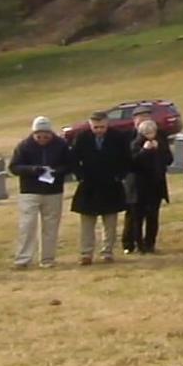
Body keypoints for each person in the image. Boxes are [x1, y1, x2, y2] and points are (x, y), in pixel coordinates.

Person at [8, 116, 71, 269]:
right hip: (29, 191)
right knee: (27, 225)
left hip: (53, 191)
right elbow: (14, 167)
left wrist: (56, 171)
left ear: (51, 133)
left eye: (46, 136)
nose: (42, 139)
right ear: (34, 133)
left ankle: (47, 259)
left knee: (51, 227)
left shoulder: (61, 145)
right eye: (39, 136)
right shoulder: (24, 145)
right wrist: (32, 169)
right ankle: (23, 259)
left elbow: (69, 165)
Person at [70, 111, 131, 265]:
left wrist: (119, 176)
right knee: (87, 223)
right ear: (90, 125)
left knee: (110, 222)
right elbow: (73, 159)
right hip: (89, 185)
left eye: (102, 127)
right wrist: (80, 176)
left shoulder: (118, 137)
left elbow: (127, 159)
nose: (99, 130)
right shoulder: (82, 137)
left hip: (111, 184)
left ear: (107, 124)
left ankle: (107, 252)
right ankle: (86, 253)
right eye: (95, 127)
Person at [126, 119, 172, 254]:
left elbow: (169, 159)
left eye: (152, 132)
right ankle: (139, 245)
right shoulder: (135, 144)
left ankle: (150, 244)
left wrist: (159, 149)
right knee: (137, 219)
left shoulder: (160, 142)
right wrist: (144, 151)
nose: (150, 135)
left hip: (156, 186)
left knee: (153, 217)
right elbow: (132, 163)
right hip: (139, 188)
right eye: (147, 133)